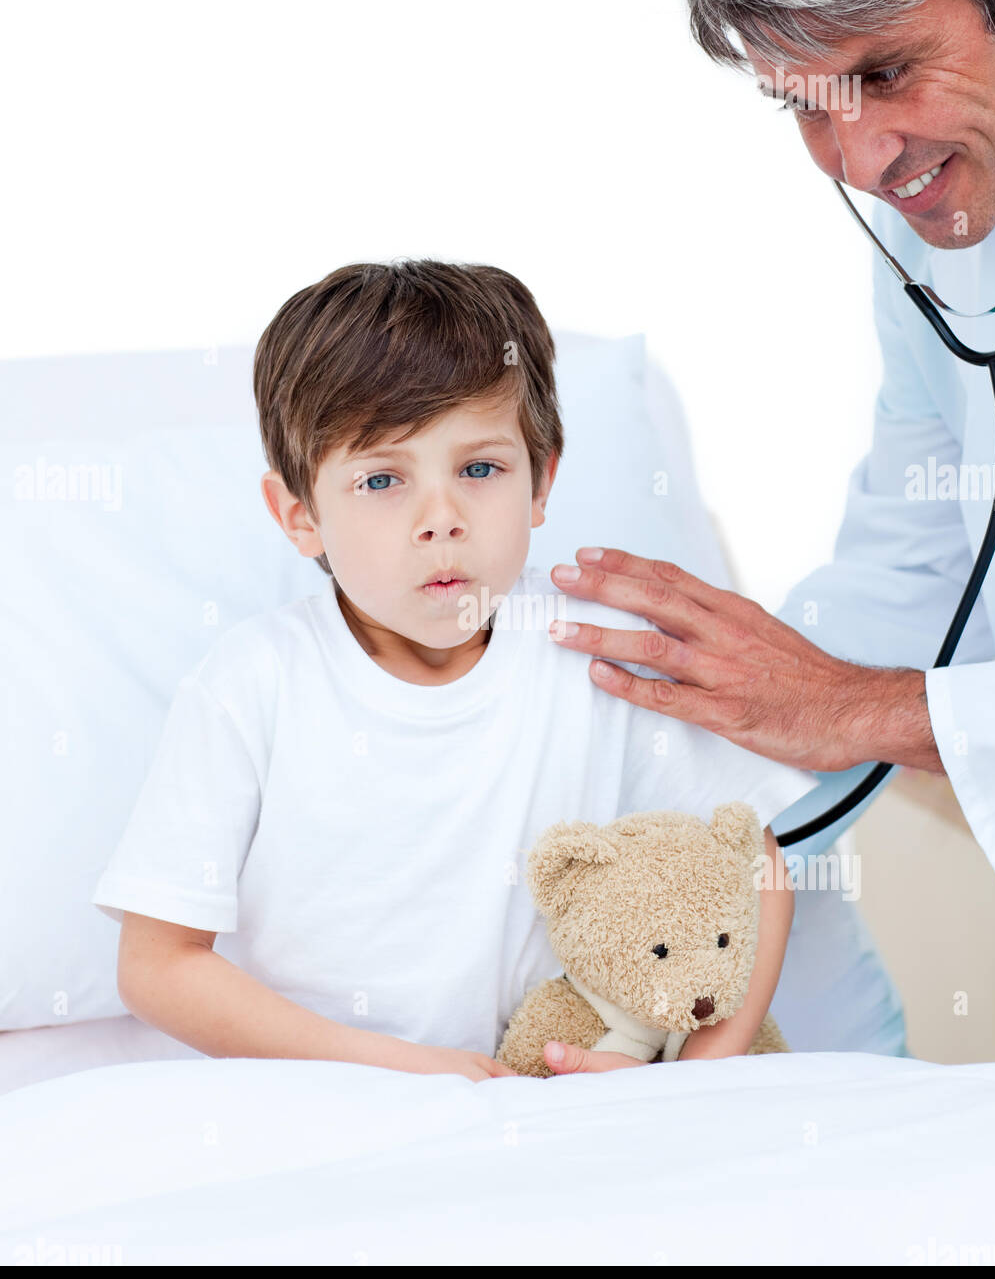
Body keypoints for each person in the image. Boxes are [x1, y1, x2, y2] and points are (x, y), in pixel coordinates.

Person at [91, 259, 818, 1082]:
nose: (441, 520)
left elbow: (746, 862)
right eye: (381, 480)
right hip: (325, 1100)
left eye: (478, 470)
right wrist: (402, 1070)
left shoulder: (595, 650)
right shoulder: (252, 685)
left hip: (558, 1100)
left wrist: (698, 1073)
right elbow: (156, 965)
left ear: (540, 480)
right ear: (300, 516)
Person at [543, 0, 995, 1067]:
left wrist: (861, 709)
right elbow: (923, 563)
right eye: (804, 106)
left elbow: (863, 689)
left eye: (885, 72)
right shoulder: (940, 237)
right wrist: (660, 843)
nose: (860, 162)